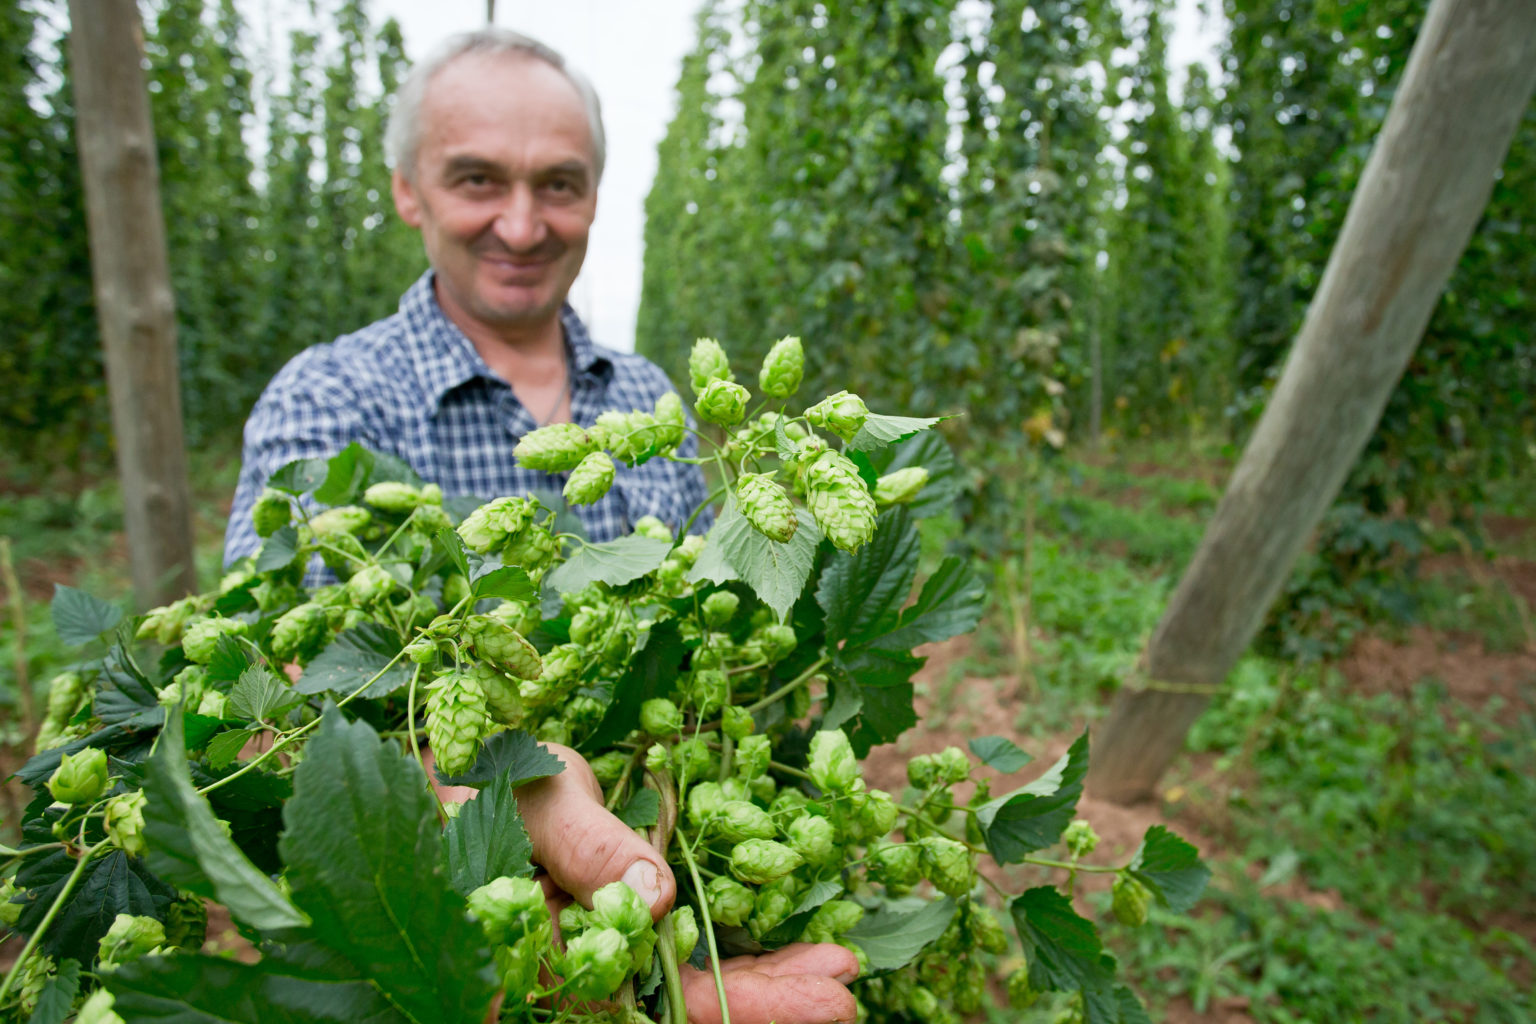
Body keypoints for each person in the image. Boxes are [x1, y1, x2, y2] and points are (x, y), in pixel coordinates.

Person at [225, 28, 857, 1023]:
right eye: (477, 178)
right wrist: (484, 803)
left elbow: (705, 642)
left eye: (559, 184)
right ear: (408, 191)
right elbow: (275, 706)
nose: (521, 225)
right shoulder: (327, 401)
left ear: (594, 197)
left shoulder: (648, 400)